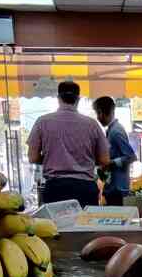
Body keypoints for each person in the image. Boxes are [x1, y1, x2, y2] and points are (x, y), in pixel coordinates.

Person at [28, 79, 109, 207]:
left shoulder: (42, 122)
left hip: (55, 189)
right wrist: (85, 159)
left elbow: (33, 157)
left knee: (58, 227)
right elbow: (104, 160)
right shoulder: (92, 124)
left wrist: (53, 158)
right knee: (86, 226)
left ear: (58, 98)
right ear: (78, 99)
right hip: (85, 188)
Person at [94, 94, 136, 206]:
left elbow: (131, 156)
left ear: (101, 112)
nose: (97, 118)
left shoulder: (116, 131)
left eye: (97, 113)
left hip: (118, 189)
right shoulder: (111, 130)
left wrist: (111, 163)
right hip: (112, 187)